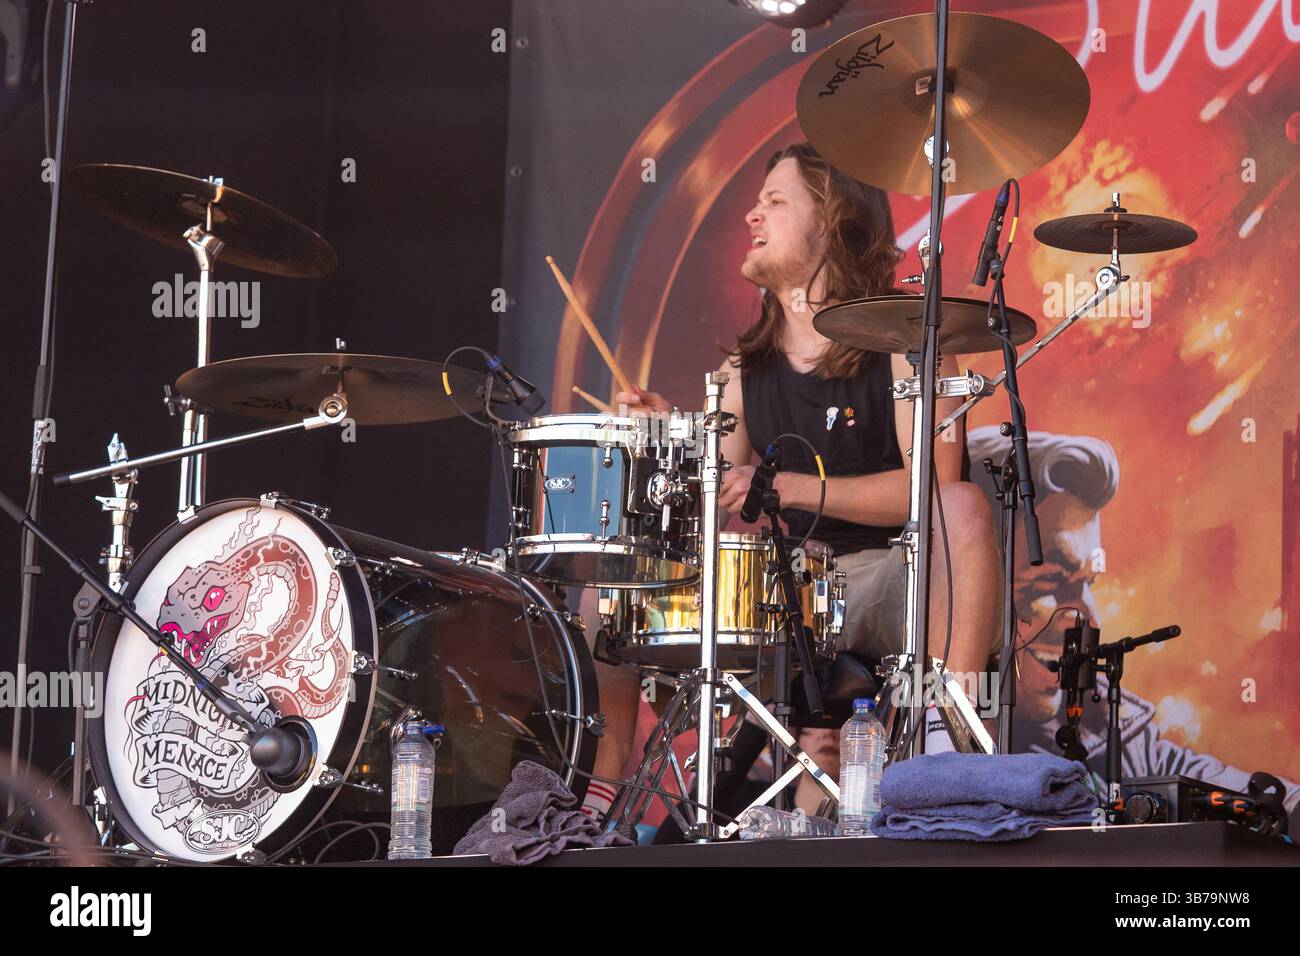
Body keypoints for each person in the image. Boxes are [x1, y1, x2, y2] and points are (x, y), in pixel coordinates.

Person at [579, 142, 1003, 823]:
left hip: (892, 576)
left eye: (775, 201)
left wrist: (789, 489)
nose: (752, 215)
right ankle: (600, 788)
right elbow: (703, 498)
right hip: (788, 590)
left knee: (963, 504)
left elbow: (932, 492)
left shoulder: (904, 339)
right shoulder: (742, 374)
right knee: (616, 571)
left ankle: (941, 747)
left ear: (831, 222)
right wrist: (672, 449)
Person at [967, 426, 1299, 828]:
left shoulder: (1109, 728)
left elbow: (1226, 788)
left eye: (1088, 584)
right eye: (1052, 581)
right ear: (975, 581)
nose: (1089, 617)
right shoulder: (917, 724)